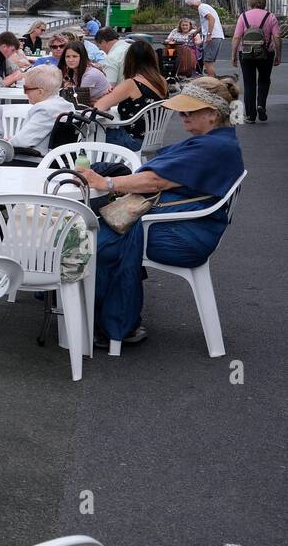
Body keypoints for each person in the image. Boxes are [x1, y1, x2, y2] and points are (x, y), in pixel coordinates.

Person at [77, 77, 245, 347]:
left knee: (90, 244)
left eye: (189, 111)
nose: (182, 116)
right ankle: (104, 318)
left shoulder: (212, 148)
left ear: (212, 114)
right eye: (181, 110)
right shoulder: (218, 142)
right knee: (101, 236)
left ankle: (99, 322)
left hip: (183, 236)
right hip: (193, 225)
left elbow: (156, 181)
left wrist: (105, 183)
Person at [94, 40, 167, 151]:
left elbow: (98, 107)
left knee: (93, 133)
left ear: (129, 60)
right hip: (152, 138)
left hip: (132, 141)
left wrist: (110, 96)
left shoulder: (131, 84)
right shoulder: (162, 81)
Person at [231, 0, 281, 123]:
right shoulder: (271, 17)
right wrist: (278, 55)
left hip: (246, 54)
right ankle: (261, 105)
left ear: (250, 3)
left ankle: (250, 115)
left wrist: (234, 55)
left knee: (249, 83)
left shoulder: (243, 16)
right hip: (266, 54)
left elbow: (236, 37)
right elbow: (276, 37)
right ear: (264, 3)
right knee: (264, 80)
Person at [7, 65, 67, 156]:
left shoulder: (44, 110)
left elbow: (22, 142)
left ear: (40, 92)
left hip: (34, 160)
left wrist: (8, 142)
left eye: (26, 89)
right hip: (57, 158)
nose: (25, 93)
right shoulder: (66, 105)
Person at [184, 0, 225, 76]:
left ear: (193, 5)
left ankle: (211, 83)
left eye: (191, 7)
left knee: (207, 62)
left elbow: (211, 19)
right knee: (209, 61)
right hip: (216, 36)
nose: (192, 9)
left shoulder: (201, 8)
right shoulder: (205, 6)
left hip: (213, 37)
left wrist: (209, 35)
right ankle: (213, 80)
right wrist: (196, 32)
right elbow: (205, 23)